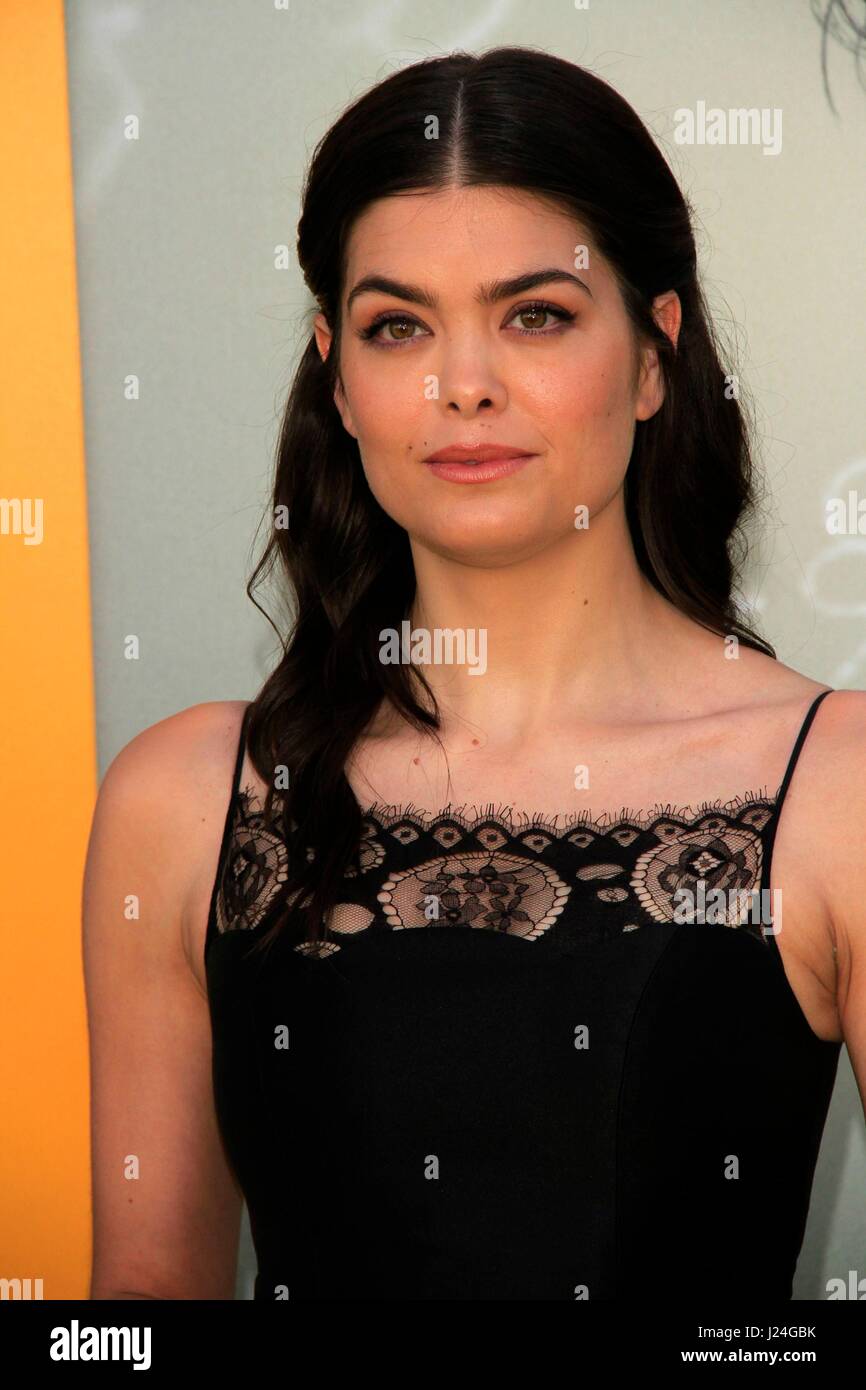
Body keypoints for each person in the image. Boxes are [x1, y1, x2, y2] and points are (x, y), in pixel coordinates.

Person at [84, 46, 865, 1301]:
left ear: (654, 351)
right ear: (337, 375)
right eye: (399, 327)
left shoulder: (842, 791)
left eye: (534, 314)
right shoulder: (181, 799)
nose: (463, 385)